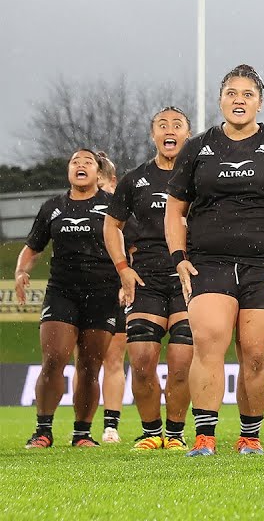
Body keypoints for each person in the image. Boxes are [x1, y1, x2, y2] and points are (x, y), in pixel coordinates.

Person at [166, 64, 264, 456]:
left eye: (247, 94)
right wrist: (179, 258)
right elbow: (173, 210)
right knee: (209, 341)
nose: (239, 100)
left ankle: (250, 437)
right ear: (220, 100)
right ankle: (204, 438)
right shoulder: (197, 148)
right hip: (209, 262)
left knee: (254, 354)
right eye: (232, 93)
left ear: (260, 103)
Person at [15, 149, 119, 448]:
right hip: (62, 292)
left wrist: (128, 277)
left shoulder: (112, 206)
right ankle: (43, 430)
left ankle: (82, 433)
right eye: (75, 162)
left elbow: (132, 244)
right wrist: (22, 270)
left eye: (87, 162)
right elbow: (32, 247)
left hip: (102, 293)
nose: (80, 165)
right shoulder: (53, 207)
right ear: (69, 172)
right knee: (53, 359)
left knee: (90, 365)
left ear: (98, 173)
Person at [104, 107, 195, 450]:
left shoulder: (200, 178)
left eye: (177, 125)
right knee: (141, 362)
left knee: (183, 364)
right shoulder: (134, 179)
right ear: (153, 134)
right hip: (146, 281)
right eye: (162, 125)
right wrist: (122, 268)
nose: (169, 130)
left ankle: (174, 432)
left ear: (188, 134)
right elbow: (111, 226)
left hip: (187, 279)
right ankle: (151, 431)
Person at [92, 153, 127, 443]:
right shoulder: (72, 206)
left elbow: (137, 246)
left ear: (111, 182)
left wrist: (125, 279)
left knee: (114, 359)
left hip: (117, 288)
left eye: (100, 183)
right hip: (85, 291)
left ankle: (110, 426)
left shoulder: (122, 208)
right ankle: (82, 429)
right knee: (87, 361)